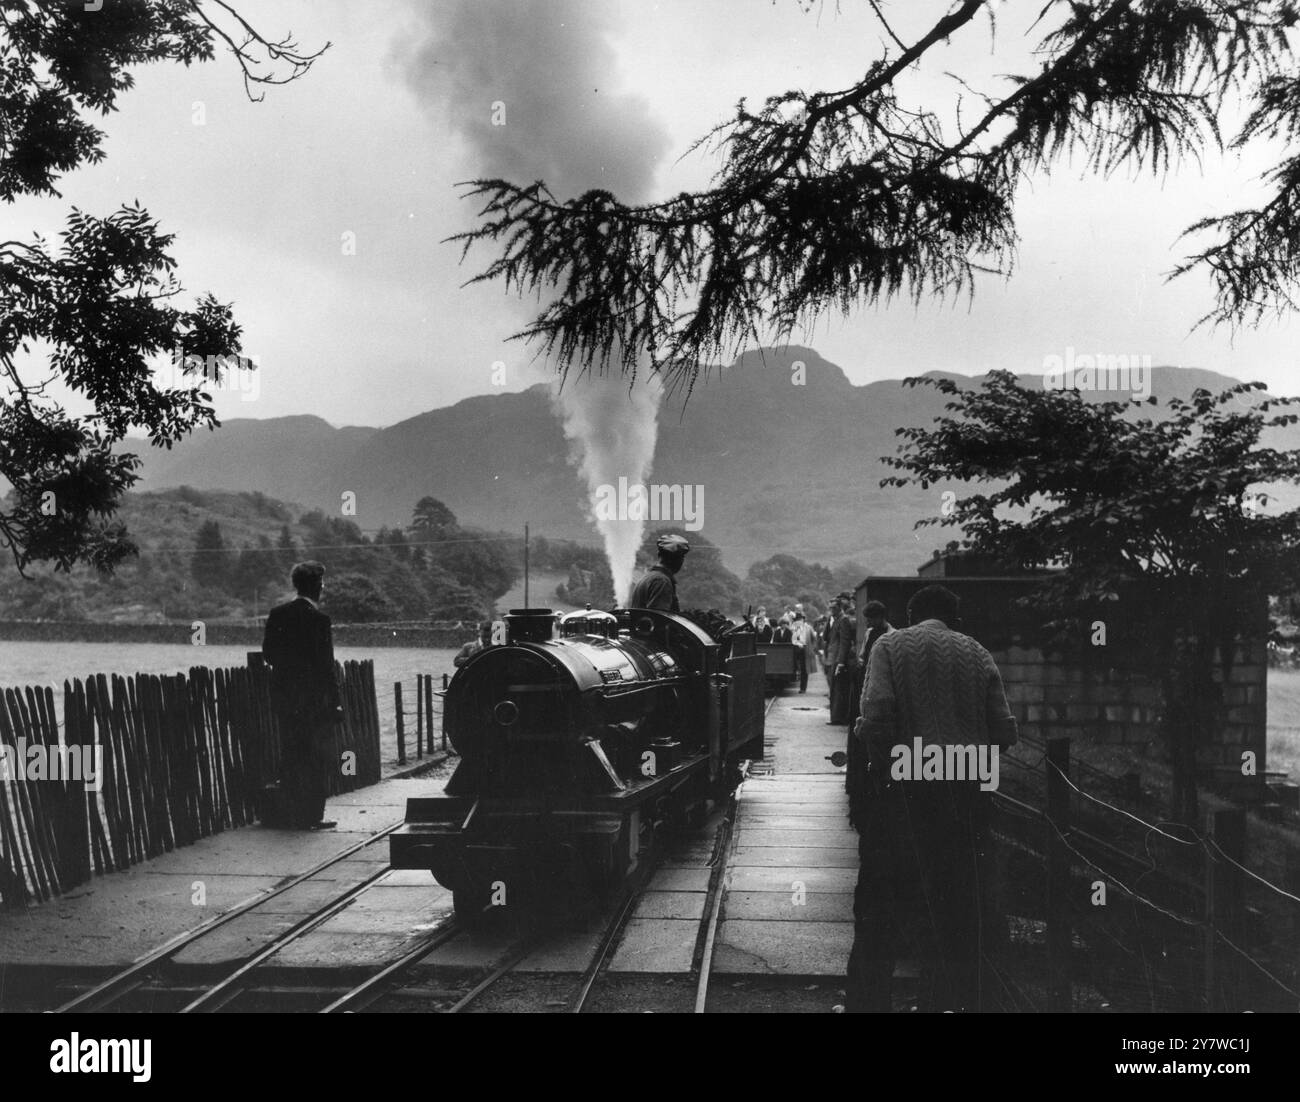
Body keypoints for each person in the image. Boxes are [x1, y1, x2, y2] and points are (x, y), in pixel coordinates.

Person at [845, 584, 1018, 1013]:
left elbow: (878, 713)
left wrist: (883, 768)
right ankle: (945, 1002)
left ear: (911, 614)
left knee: (878, 910)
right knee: (955, 909)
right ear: (954, 619)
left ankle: (870, 1004)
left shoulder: (890, 644)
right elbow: (1003, 731)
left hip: (902, 797)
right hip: (963, 803)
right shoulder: (977, 652)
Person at [261, 561, 343, 831]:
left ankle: (290, 814)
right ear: (318, 586)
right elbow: (325, 666)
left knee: (291, 754)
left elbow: (269, 654)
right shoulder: (320, 620)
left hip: (286, 699)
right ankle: (312, 816)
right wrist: (335, 702)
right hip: (313, 701)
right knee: (315, 758)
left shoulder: (278, 614)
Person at [846, 600, 894, 799]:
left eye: (870, 618)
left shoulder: (891, 636)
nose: (867, 623)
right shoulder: (869, 634)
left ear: (880, 617)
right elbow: (863, 655)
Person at [629, 533, 690, 611]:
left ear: (659, 555)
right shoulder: (662, 581)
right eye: (681, 557)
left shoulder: (648, 577)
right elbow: (659, 618)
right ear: (676, 559)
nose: (682, 561)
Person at [827, 592, 858, 724]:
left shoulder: (843, 620)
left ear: (839, 607)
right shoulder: (836, 620)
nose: (831, 610)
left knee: (838, 689)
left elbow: (844, 642)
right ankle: (836, 717)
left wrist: (840, 663)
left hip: (838, 659)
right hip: (834, 657)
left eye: (834, 608)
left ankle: (838, 718)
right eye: (830, 608)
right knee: (835, 689)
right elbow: (828, 638)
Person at [789, 611, 818, 692]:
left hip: (805, 651)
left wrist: (812, 648)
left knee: (804, 670)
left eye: (800, 619)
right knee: (795, 667)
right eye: (797, 620)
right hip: (795, 650)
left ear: (803, 620)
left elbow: (814, 639)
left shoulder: (809, 628)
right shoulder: (793, 628)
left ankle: (803, 688)